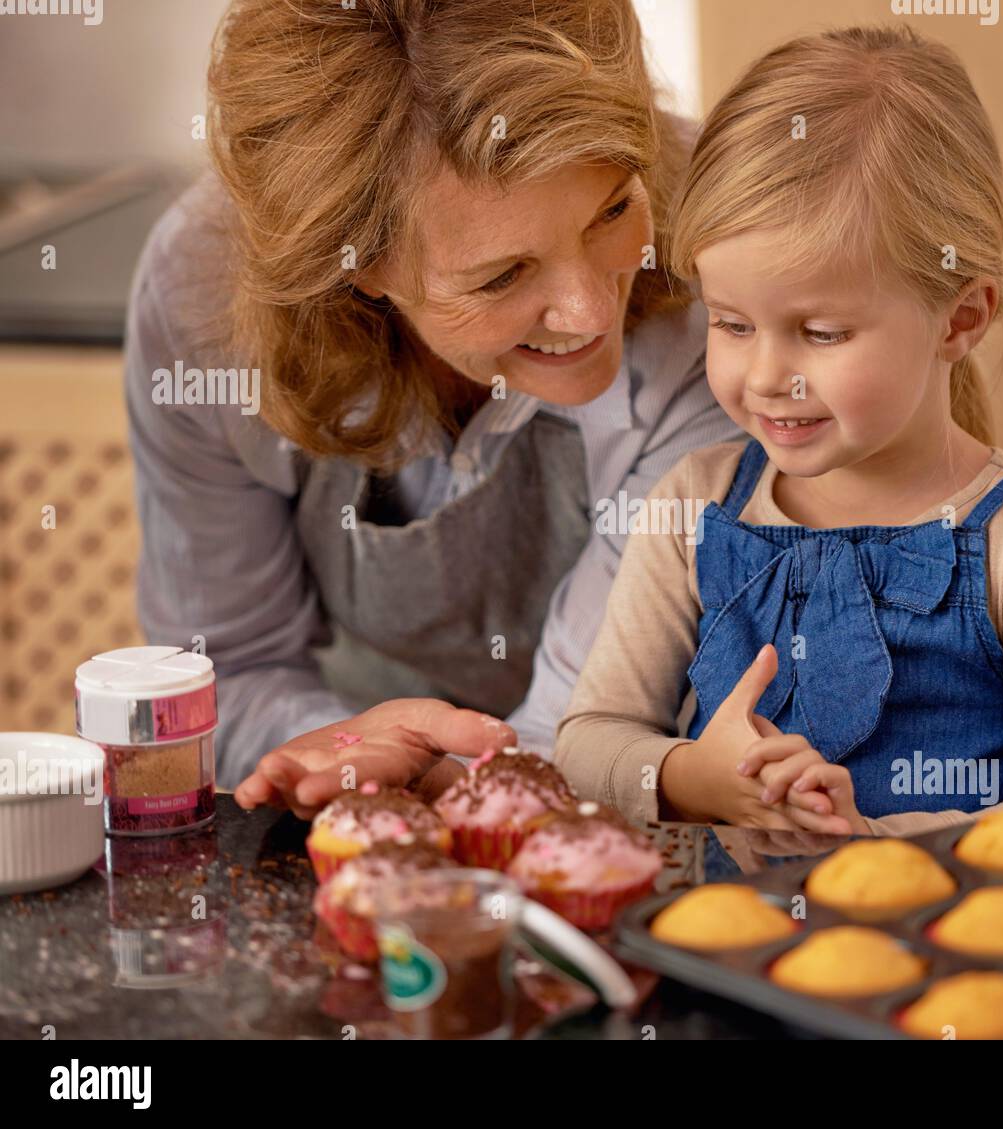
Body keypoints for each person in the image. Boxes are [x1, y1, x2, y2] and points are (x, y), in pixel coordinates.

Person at [121, 0, 739, 819]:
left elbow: (592, 715)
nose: (593, 311)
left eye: (614, 211)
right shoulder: (198, 297)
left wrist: (448, 786)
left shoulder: (730, 268)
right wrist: (350, 756)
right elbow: (228, 663)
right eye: (500, 276)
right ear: (357, 263)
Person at [553, 25, 1003, 840]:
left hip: (948, 958)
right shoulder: (691, 504)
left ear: (961, 318)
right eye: (731, 323)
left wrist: (880, 842)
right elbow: (587, 744)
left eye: (823, 333)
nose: (767, 375)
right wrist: (695, 777)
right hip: (721, 951)